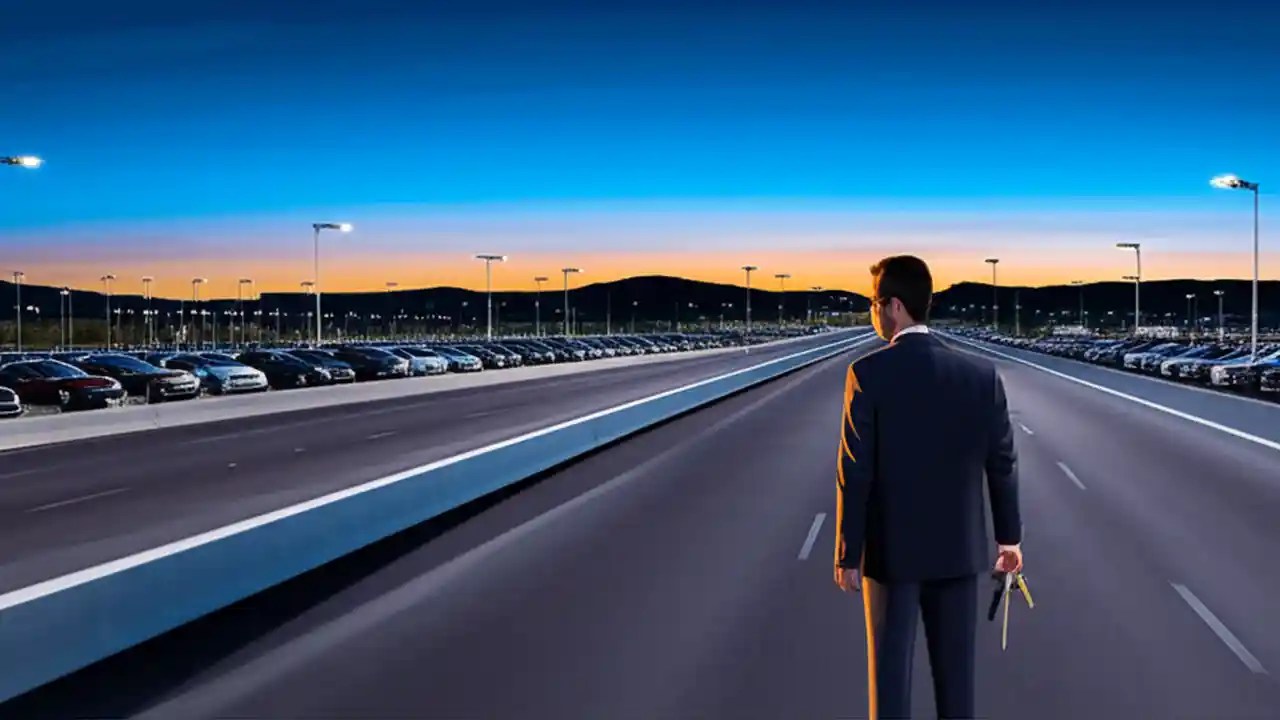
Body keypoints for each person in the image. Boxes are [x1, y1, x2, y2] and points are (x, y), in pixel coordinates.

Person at [834, 255, 1022, 720]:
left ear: (894, 306)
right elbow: (1002, 463)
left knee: (890, 687)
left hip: (891, 557)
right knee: (957, 691)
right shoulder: (980, 377)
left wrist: (847, 554)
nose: (873, 312)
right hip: (959, 554)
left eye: (874, 303)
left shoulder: (868, 374)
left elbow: (855, 471)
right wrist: (1009, 542)